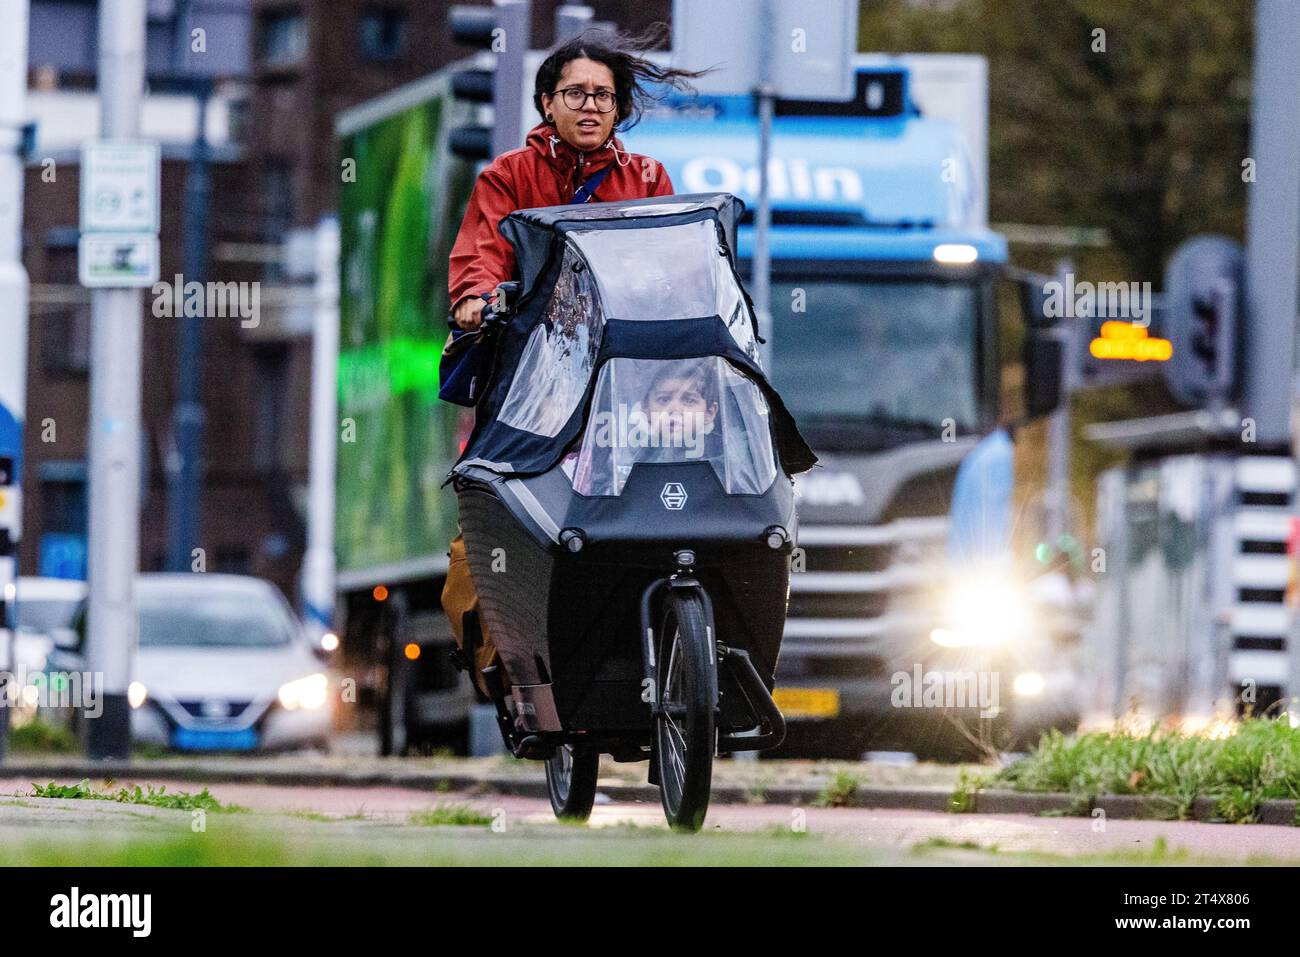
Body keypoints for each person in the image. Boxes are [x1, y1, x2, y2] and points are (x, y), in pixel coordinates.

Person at [442, 26, 707, 694]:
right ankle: (505, 654)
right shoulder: (508, 177)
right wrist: (477, 300)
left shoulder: (649, 178)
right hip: (532, 386)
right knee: (491, 520)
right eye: (575, 93)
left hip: (629, 383)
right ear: (546, 103)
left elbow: (677, 267)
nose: (590, 106)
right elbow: (481, 258)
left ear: (618, 109)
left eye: (604, 96)